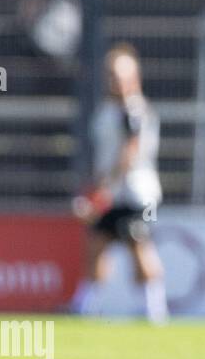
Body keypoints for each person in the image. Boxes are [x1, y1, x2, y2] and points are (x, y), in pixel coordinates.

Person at [70, 44, 168, 323]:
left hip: (135, 193)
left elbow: (130, 151)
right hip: (113, 192)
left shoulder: (134, 110)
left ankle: (154, 307)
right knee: (97, 244)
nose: (116, 81)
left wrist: (102, 191)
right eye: (112, 75)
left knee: (138, 244)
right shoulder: (107, 110)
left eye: (121, 75)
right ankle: (86, 304)